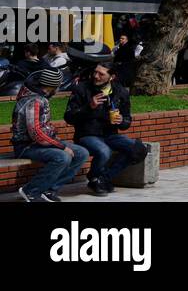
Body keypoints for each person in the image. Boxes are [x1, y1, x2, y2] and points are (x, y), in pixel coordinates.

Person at [63, 63, 149, 195]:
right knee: (104, 151)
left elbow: (127, 120)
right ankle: (97, 179)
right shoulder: (81, 89)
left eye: (101, 74)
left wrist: (122, 121)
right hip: (87, 134)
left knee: (138, 149)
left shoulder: (120, 92)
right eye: (95, 72)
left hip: (110, 134)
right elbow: (69, 117)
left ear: (112, 77)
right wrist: (88, 107)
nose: (96, 76)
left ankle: (102, 179)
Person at [10, 68, 89, 202]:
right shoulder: (33, 101)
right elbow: (36, 133)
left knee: (81, 153)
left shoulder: (41, 98)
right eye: (58, 85)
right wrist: (62, 147)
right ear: (52, 85)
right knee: (62, 157)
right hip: (26, 146)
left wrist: (57, 141)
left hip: (39, 144)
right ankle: (31, 191)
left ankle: (48, 189)